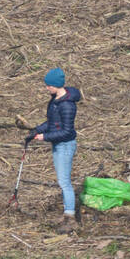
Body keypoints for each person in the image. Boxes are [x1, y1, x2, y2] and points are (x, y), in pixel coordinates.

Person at [31, 67, 82, 234]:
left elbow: (67, 131)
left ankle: (70, 218)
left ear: (56, 85)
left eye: (49, 85)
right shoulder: (55, 101)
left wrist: (44, 137)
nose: (47, 88)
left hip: (65, 146)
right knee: (62, 181)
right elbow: (52, 123)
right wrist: (37, 130)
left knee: (64, 182)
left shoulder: (67, 105)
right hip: (58, 145)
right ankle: (67, 213)